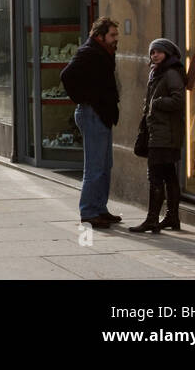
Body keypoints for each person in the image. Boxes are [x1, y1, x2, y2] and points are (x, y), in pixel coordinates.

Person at [61, 17, 123, 229]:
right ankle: (88, 211)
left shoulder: (104, 52)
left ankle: (100, 208)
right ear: (100, 35)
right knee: (95, 166)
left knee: (105, 165)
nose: (116, 39)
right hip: (92, 113)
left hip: (101, 113)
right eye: (112, 35)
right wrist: (86, 99)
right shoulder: (89, 52)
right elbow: (67, 76)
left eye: (116, 35)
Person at [128, 38, 186, 233]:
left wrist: (158, 103)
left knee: (155, 176)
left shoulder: (171, 73)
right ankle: (172, 217)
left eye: (159, 52)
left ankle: (153, 219)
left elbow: (178, 101)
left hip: (165, 133)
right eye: (152, 52)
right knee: (168, 174)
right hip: (159, 131)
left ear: (168, 54)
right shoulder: (157, 72)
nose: (155, 55)